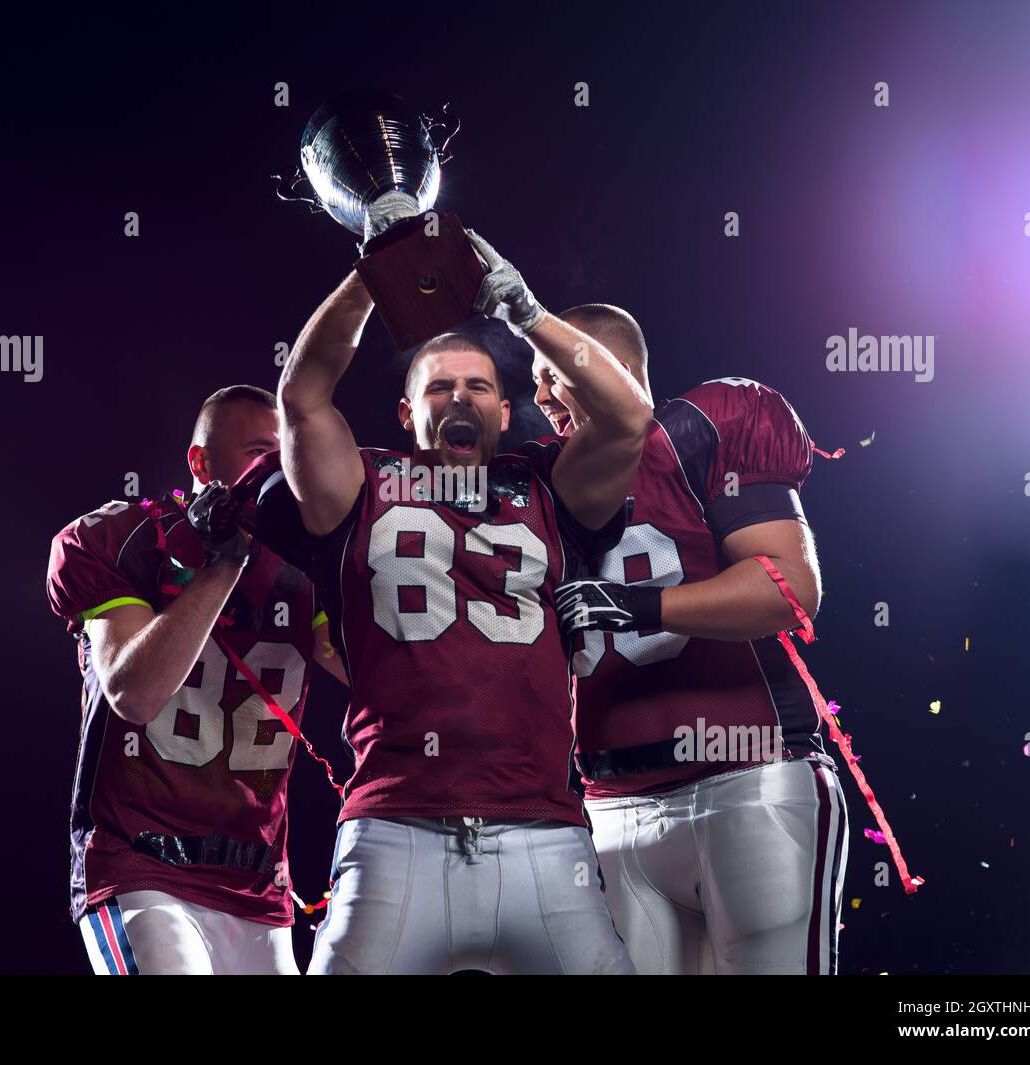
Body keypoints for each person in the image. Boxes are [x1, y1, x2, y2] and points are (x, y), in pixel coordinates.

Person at [276, 215, 651, 974]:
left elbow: (628, 414)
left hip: (544, 836)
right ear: (407, 413)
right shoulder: (362, 485)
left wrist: (527, 312)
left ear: (504, 411)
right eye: (438, 385)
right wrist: (376, 273)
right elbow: (303, 395)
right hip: (393, 828)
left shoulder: (543, 481)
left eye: (478, 384)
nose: (460, 395)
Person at [538, 304, 848, 975]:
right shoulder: (537, 485)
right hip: (612, 804)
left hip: (749, 778)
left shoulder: (700, 432)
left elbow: (790, 589)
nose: (538, 397)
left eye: (552, 372)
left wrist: (638, 604)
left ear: (610, 369)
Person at [45, 384, 344, 974]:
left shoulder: (302, 568)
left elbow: (387, 677)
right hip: (142, 864)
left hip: (258, 882)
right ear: (201, 464)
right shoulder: (127, 540)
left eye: (287, 455)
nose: (278, 471)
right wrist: (226, 564)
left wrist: (345, 561)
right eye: (261, 453)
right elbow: (135, 693)